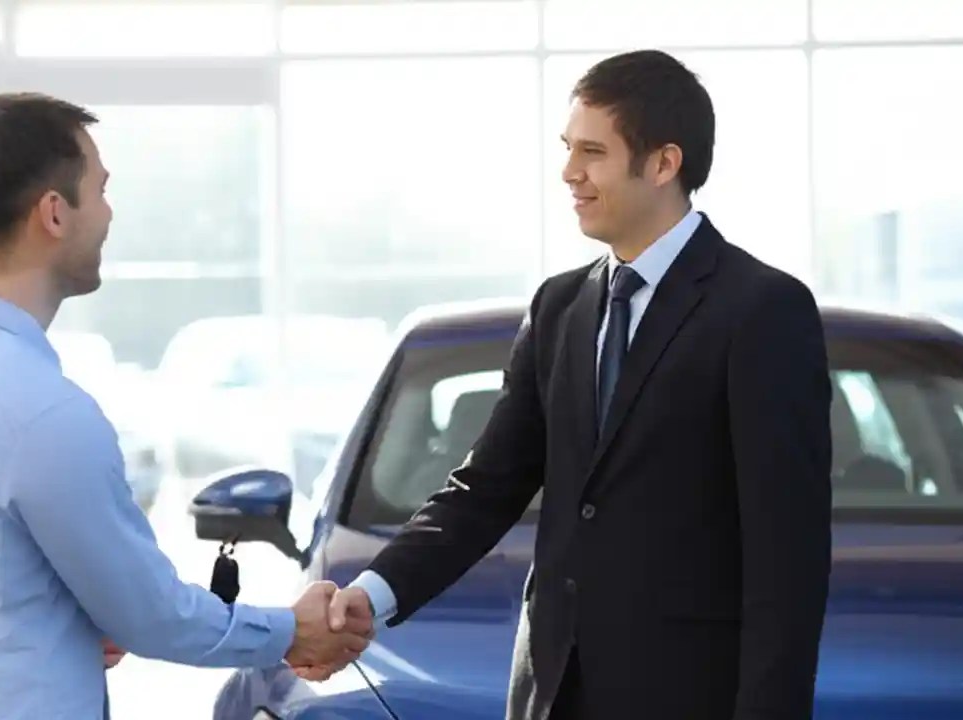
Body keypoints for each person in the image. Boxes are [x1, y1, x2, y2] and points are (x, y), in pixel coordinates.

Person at [325, 50, 833, 720]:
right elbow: (486, 487)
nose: (569, 173)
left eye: (592, 151)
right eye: (568, 149)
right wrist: (375, 592)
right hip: (552, 695)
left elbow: (786, 562)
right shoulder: (560, 308)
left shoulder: (762, 310)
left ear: (663, 163)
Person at [0, 92, 372, 720]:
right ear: (55, 214)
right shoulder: (42, 409)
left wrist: (43, 629)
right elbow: (151, 615)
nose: (110, 214)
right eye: (100, 190)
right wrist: (290, 629)